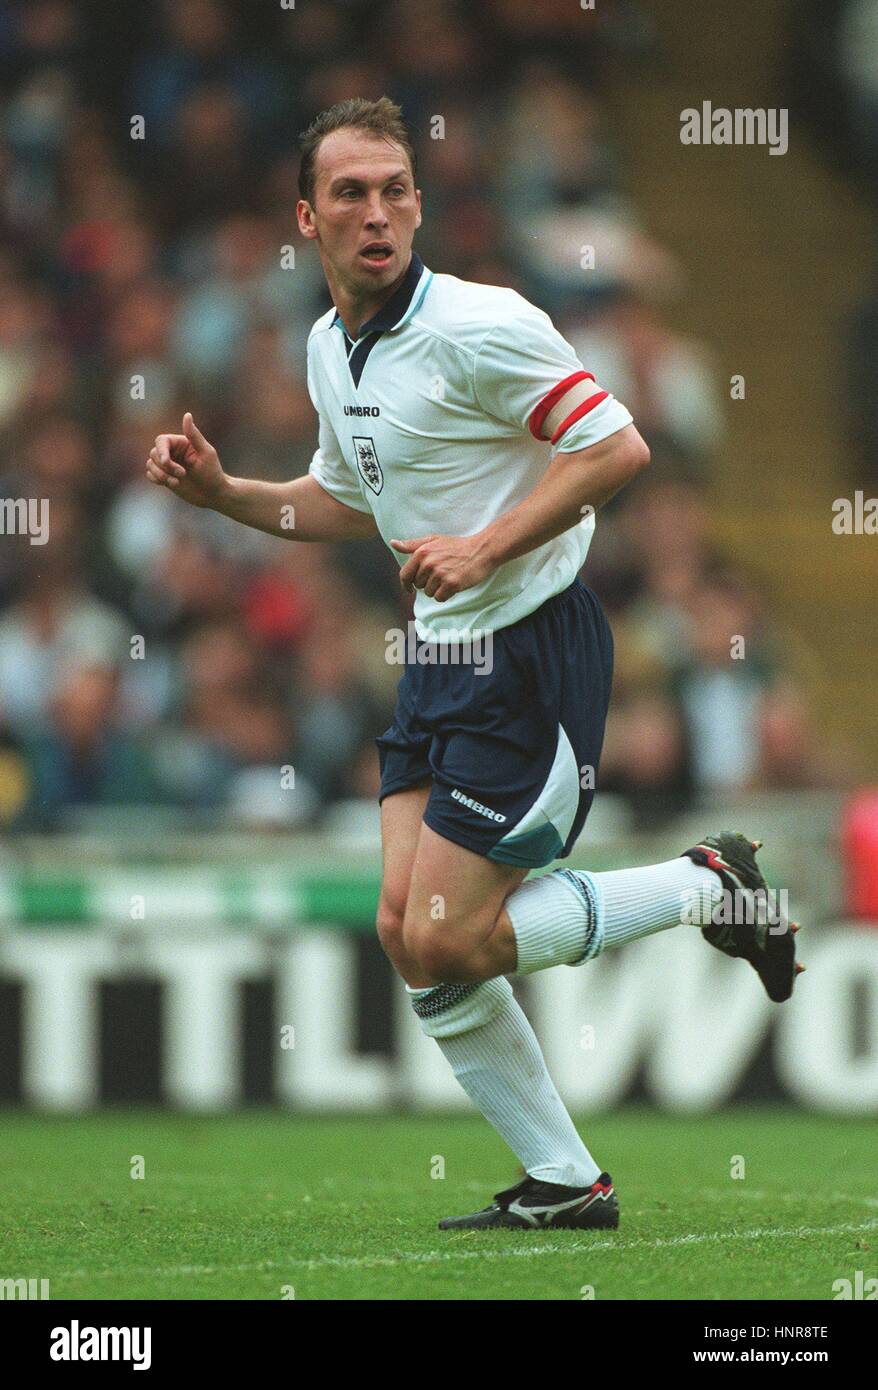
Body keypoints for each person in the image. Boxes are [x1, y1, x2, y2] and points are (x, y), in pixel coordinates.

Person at [146, 97, 801, 1231]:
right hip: (438, 660)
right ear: (305, 219)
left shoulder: (480, 323)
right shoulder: (326, 346)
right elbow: (347, 503)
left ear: (418, 204)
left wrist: (488, 544)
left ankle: (709, 884)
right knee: (407, 932)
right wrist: (226, 497)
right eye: (348, 193)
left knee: (449, 931)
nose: (376, 213)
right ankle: (563, 1181)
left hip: (530, 654)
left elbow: (616, 445)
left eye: (395, 189)